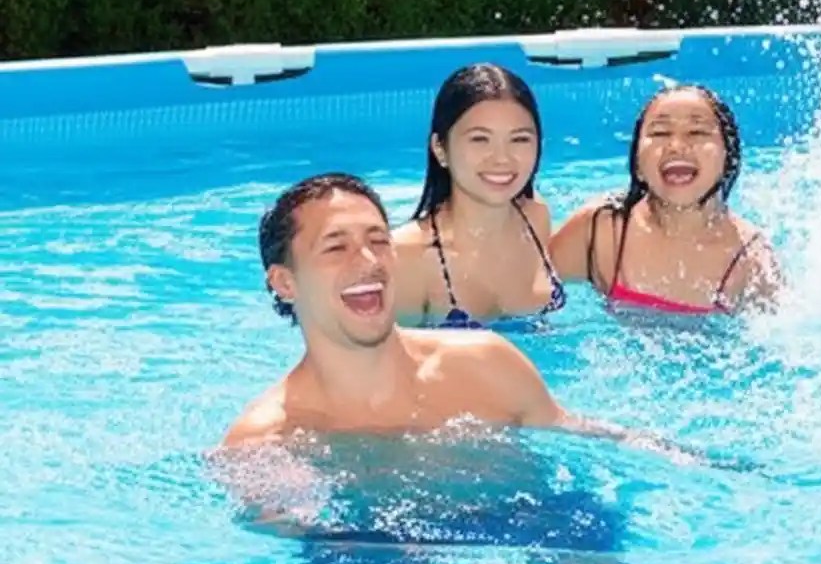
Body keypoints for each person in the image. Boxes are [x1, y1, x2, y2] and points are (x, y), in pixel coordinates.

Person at [222, 171, 715, 459]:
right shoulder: (268, 441)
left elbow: (579, 434)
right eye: (336, 247)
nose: (369, 261)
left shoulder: (484, 364)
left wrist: (694, 460)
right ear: (285, 283)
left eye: (378, 240)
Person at [550, 83, 784, 316]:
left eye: (697, 132)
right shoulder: (602, 230)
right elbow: (531, 294)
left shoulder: (750, 261)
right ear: (638, 164)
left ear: (728, 158)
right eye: (660, 133)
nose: (676, 146)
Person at [391, 63, 564, 331]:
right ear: (440, 148)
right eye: (480, 139)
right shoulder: (407, 257)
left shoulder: (534, 218)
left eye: (519, 139)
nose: (502, 159)